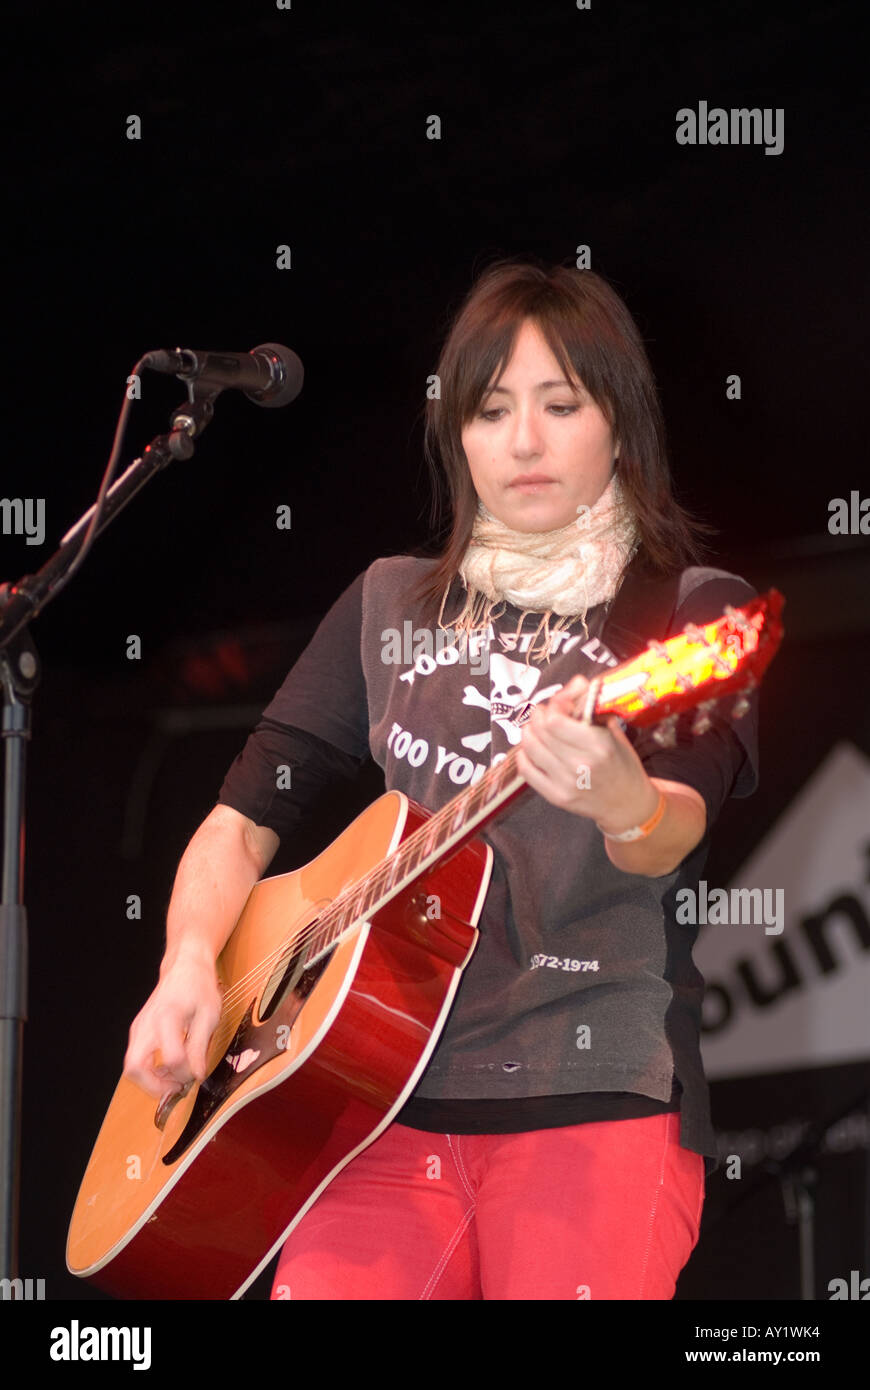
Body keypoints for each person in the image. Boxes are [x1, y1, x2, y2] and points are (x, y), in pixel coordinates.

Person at [123, 258, 759, 1300]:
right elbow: (240, 825)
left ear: (620, 421)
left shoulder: (687, 607)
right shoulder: (384, 600)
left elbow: (670, 826)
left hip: (590, 1101)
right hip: (368, 1110)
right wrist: (188, 963)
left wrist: (620, 798)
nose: (523, 440)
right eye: (491, 409)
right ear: (455, 435)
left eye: (562, 404)